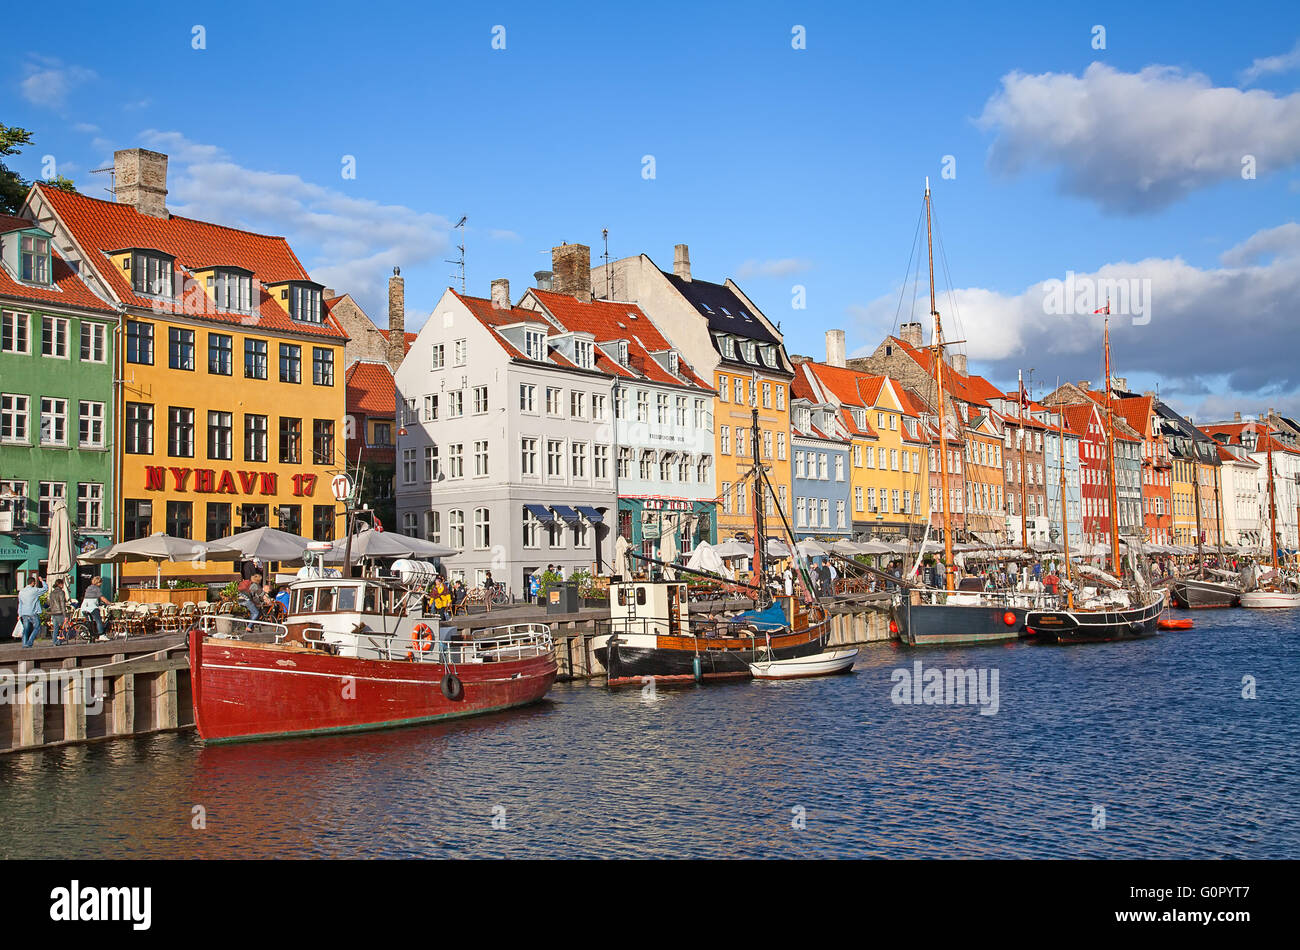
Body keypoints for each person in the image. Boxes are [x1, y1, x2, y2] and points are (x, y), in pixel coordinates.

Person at [18, 573, 46, 648]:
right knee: (37, 626)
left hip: (24, 613)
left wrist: (19, 614)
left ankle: (24, 644)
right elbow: (45, 589)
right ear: (33, 583)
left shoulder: (21, 592)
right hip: (33, 612)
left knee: (26, 629)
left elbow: (20, 604)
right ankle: (30, 642)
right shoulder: (35, 590)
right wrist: (42, 581)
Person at [81, 576, 105, 640]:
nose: (101, 584)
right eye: (100, 583)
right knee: (98, 620)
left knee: (89, 621)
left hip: (84, 607)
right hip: (92, 607)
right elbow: (102, 597)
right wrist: (109, 603)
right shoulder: (96, 588)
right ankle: (101, 635)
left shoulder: (89, 587)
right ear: (98, 582)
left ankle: (85, 632)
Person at [47, 577, 69, 645]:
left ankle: (55, 642)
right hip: (60, 612)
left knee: (56, 628)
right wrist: (65, 615)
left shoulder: (52, 593)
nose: (63, 586)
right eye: (62, 584)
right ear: (60, 584)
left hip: (53, 612)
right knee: (65, 627)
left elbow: (49, 603)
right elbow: (62, 604)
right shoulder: (61, 592)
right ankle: (60, 641)